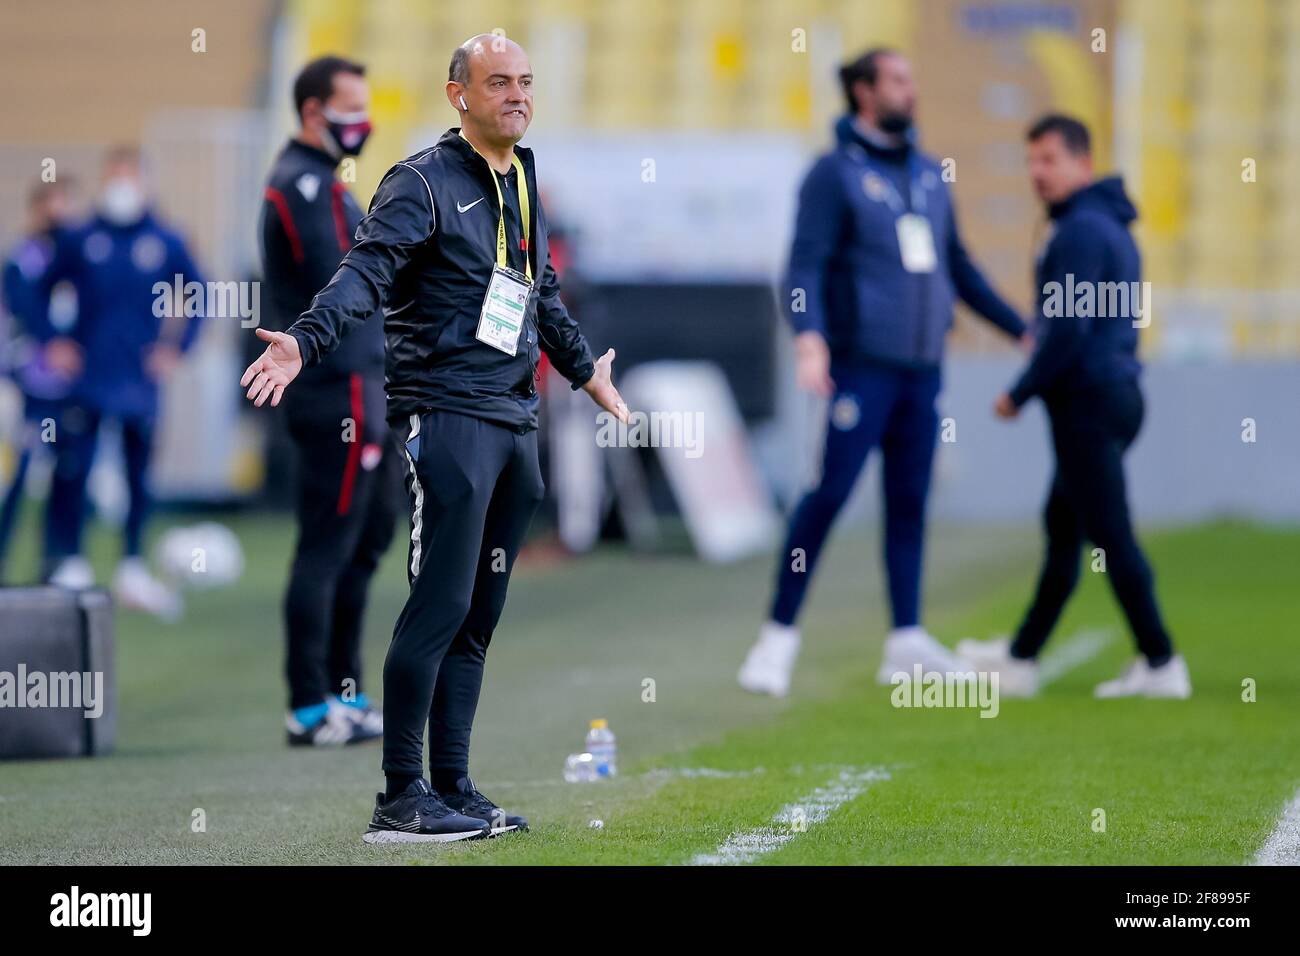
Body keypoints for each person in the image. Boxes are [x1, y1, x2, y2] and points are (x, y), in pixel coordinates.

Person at [241, 33, 629, 843]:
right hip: (446, 419)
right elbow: (363, 274)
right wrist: (306, 341)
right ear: (459, 95)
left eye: (525, 81)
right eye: (499, 83)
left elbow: (540, 292)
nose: (517, 96)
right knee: (440, 604)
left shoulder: (523, 175)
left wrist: (587, 371)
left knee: (479, 616)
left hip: (513, 418)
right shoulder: (417, 181)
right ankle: (398, 796)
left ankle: (452, 786)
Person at [738, 48, 1028, 697]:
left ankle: (906, 640)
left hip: (921, 371)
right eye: (899, 80)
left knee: (910, 503)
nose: (911, 91)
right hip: (858, 369)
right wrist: (810, 338)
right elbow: (803, 267)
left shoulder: (928, 175)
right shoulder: (832, 174)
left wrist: (1021, 328)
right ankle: (776, 637)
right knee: (826, 498)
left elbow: (960, 267)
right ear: (865, 92)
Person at [957, 115, 1190, 699]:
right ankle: (1021, 657)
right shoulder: (1106, 225)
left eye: (1050, 159)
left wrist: (1020, 390)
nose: (1037, 172)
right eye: (1032, 160)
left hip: (1089, 402)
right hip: (1114, 393)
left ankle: (1161, 661)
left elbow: (1066, 328)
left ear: (1083, 163)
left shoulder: (1081, 232)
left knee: (1109, 533)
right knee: (1065, 527)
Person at [261, 55, 402, 746]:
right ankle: (308, 703)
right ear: (314, 110)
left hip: (364, 381)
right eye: (351, 108)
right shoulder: (301, 185)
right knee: (329, 542)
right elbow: (343, 281)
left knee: (368, 537)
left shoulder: (330, 183)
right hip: (333, 388)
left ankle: (345, 691)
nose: (362, 122)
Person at [41, 147, 205, 617]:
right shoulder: (81, 238)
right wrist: (53, 340)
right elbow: (38, 286)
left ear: (145, 183)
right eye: (114, 177)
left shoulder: (165, 239)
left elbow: (198, 291)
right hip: (87, 379)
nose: (121, 187)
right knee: (74, 468)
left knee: (138, 475)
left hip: (139, 382)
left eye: (129, 177)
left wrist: (177, 347)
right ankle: (69, 561)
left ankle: (132, 565)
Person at [0, 179, 78, 582]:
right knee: (23, 471)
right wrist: (50, 346)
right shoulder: (23, 259)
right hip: (32, 385)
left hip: (70, 387)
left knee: (67, 471)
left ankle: (56, 559)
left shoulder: (77, 254)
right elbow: (24, 311)